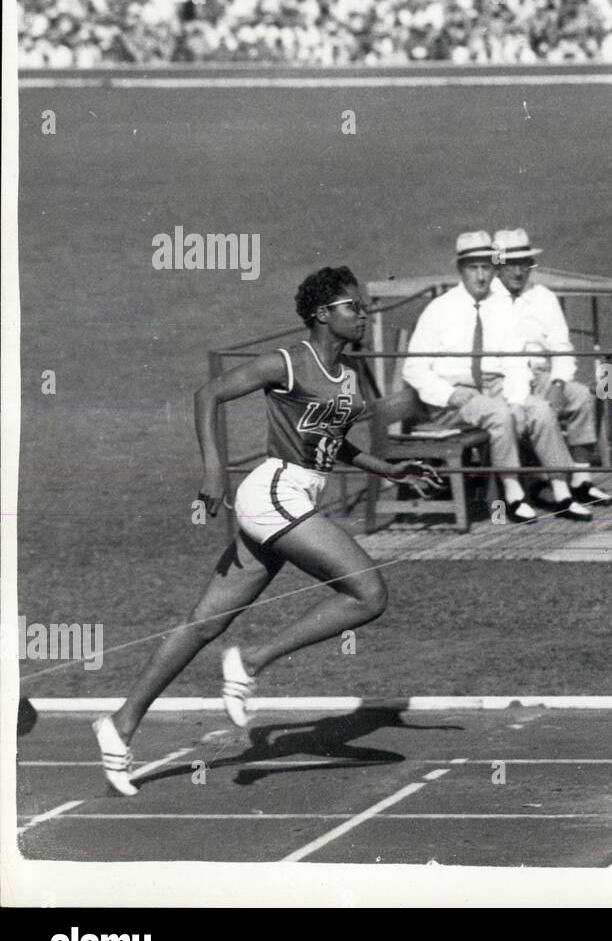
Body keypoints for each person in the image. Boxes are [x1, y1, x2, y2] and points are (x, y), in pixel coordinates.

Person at [93, 267, 436, 795]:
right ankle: (251, 661)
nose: (364, 315)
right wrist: (212, 471)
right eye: (354, 307)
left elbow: (330, 441)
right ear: (324, 314)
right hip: (272, 491)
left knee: (205, 623)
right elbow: (207, 394)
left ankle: (120, 725)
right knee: (368, 592)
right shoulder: (289, 362)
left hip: (293, 495)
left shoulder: (347, 375)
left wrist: (386, 469)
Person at [401, 231, 593, 523]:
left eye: (486, 268)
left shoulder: (500, 307)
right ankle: (514, 494)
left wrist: (517, 400)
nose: (480, 276)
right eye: (473, 268)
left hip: (494, 387)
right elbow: (414, 368)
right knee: (500, 414)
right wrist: (448, 394)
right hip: (454, 395)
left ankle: (561, 489)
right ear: (460, 270)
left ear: (493, 270)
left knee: (539, 409)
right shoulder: (439, 309)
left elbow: (515, 362)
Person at [492, 228, 612, 507]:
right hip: (504, 377)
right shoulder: (487, 299)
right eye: (510, 264)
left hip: (541, 374)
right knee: (539, 411)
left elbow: (561, 346)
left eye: (524, 264)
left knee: (583, 396)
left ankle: (581, 480)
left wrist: (558, 383)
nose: (518, 272)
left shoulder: (543, 296)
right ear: (498, 265)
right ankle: (548, 483)